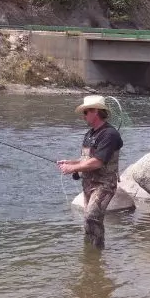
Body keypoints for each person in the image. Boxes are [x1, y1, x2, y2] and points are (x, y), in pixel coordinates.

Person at [57, 95, 123, 249]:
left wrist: (73, 168)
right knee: (88, 223)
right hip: (88, 184)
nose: (84, 115)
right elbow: (86, 159)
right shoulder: (89, 134)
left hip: (104, 185)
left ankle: (97, 253)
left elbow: (98, 162)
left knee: (92, 217)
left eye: (86, 112)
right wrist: (70, 162)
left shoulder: (110, 134)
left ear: (96, 112)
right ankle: (90, 257)